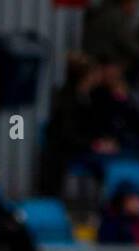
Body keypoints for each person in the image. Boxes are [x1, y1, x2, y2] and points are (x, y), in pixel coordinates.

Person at [38, 51, 103, 195]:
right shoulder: (67, 100)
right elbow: (67, 134)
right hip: (61, 152)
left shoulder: (89, 98)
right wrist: (93, 145)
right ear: (87, 76)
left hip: (78, 148)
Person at [82, 0, 139, 69]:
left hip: (96, 55)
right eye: (135, 4)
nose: (135, 8)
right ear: (127, 3)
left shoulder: (105, 10)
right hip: (99, 59)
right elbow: (127, 42)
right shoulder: (117, 16)